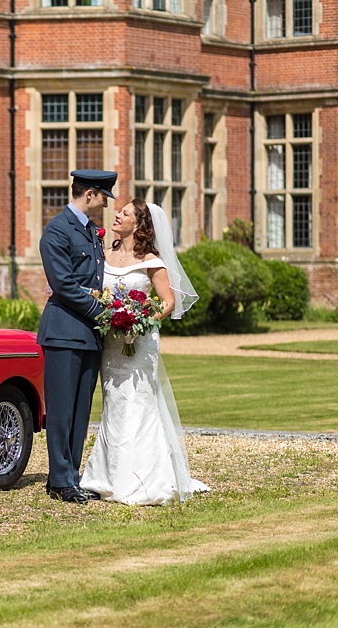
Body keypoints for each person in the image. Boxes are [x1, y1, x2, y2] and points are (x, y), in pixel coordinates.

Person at [80, 199, 210, 505]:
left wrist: (140, 320)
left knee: (137, 401)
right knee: (113, 402)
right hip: (112, 342)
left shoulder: (152, 261)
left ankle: (141, 479)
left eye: (125, 213)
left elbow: (168, 302)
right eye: (119, 211)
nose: (117, 215)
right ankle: (106, 476)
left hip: (139, 342)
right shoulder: (104, 253)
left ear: (138, 225)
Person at [37, 169, 115, 504]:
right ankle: (59, 480)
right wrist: (102, 313)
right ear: (90, 194)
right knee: (61, 410)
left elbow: (94, 280)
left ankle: (71, 476)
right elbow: (65, 285)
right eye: (103, 197)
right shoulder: (57, 230)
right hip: (64, 332)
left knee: (81, 410)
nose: (105, 204)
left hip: (88, 334)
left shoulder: (90, 231)